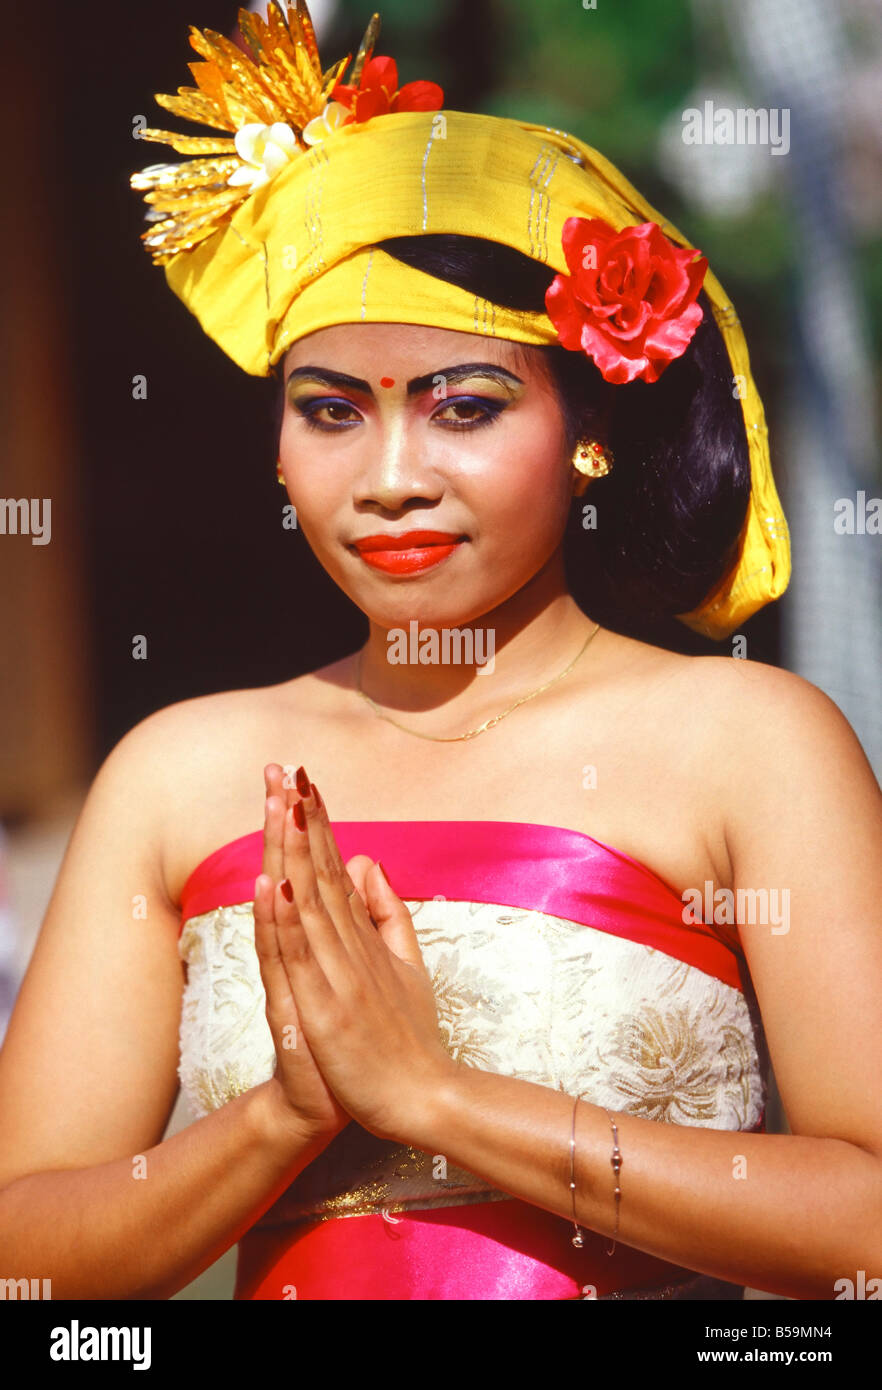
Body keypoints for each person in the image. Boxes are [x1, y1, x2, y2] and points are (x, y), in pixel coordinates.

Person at [0, 0, 880, 1302]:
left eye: (463, 408)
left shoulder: (746, 742)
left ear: (587, 427)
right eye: (331, 412)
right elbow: (23, 1251)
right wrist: (279, 1117)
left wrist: (438, 1098)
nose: (392, 476)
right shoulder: (178, 772)